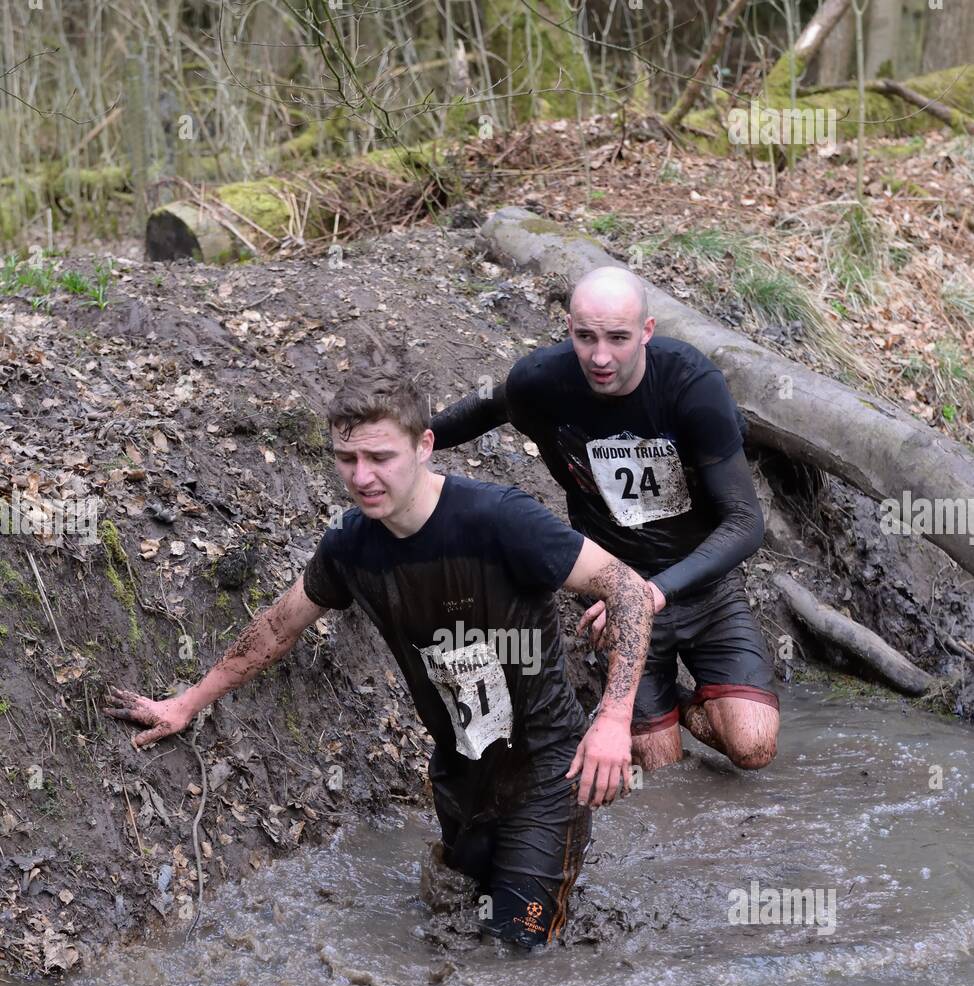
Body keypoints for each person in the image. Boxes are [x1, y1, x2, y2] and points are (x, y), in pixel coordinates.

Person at [104, 359, 654, 951]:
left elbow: (628, 590)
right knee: (447, 929)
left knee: (511, 956)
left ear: (424, 446)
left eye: (380, 458)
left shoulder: (500, 520)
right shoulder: (351, 546)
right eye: (347, 459)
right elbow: (276, 629)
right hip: (462, 775)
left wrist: (615, 720)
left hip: (548, 771)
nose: (362, 476)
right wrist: (185, 704)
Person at [430, 265, 779, 774]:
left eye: (618, 338)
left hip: (704, 587)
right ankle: (651, 706)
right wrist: (403, 446)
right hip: (614, 591)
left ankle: (687, 704)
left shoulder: (691, 384)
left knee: (752, 747)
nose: (599, 356)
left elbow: (746, 521)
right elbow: (480, 412)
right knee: (658, 775)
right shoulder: (543, 382)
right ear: (568, 327)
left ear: (646, 332)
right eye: (585, 337)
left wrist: (658, 591)